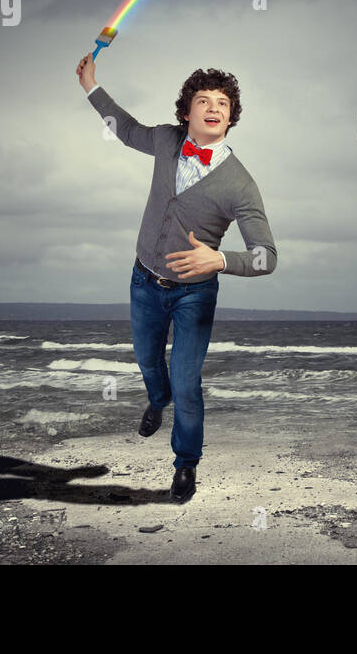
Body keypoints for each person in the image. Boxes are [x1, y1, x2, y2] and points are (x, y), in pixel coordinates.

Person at [76, 52, 277, 503]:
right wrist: (91, 85)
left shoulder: (240, 184)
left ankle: (185, 464)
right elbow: (124, 129)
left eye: (223, 103)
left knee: (187, 382)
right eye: (203, 100)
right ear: (186, 111)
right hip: (143, 280)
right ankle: (156, 398)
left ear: (231, 117)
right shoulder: (167, 141)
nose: (213, 107)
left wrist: (220, 261)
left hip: (194, 295)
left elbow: (268, 257)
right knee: (149, 364)